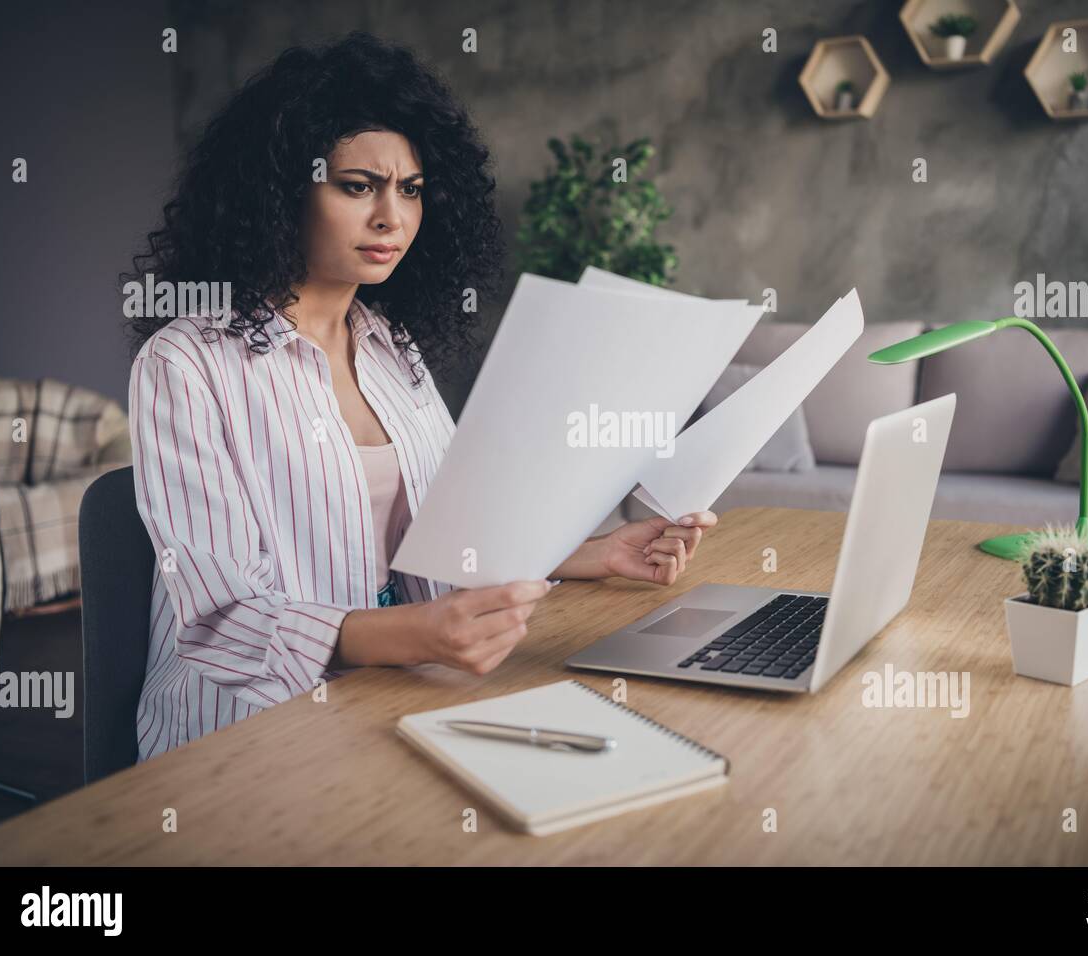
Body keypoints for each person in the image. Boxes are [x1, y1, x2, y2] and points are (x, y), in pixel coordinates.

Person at [122, 32, 716, 761]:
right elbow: (219, 618)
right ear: (279, 193)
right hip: (244, 735)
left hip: (395, 698)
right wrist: (414, 633)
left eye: (409, 189)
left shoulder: (389, 345)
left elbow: (446, 535)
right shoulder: (185, 363)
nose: (391, 217)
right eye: (356, 185)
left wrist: (590, 555)